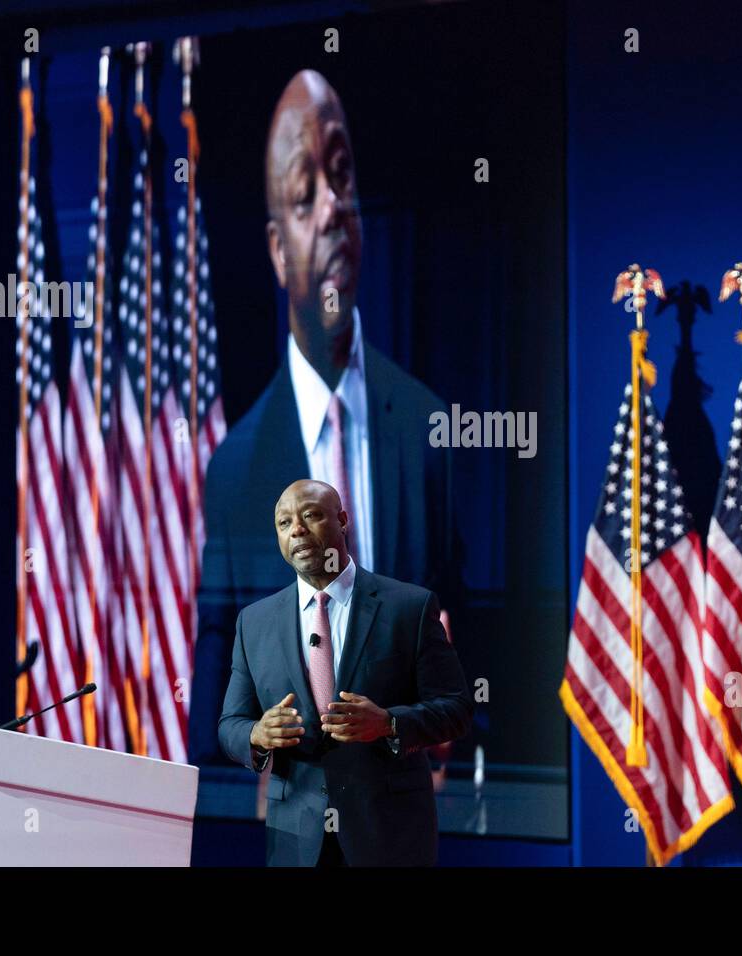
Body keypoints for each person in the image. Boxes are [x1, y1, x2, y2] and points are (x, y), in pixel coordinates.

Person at [190, 69, 462, 766]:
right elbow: (216, 709)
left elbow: (471, 666)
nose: (333, 206)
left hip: (409, 823)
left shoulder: (431, 431)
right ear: (279, 250)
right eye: (304, 194)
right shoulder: (235, 470)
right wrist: (252, 743)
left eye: (341, 177)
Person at [219, 479, 471, 865]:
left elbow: (455, 710)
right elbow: (229, 723)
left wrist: (388, 724)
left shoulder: (409, 608)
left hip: (388, 833)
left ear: (343, 520)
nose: (297, 529)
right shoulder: (254, 623)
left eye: (311, 516)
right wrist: (257, 733)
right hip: (296, 837)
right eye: (284, 523)